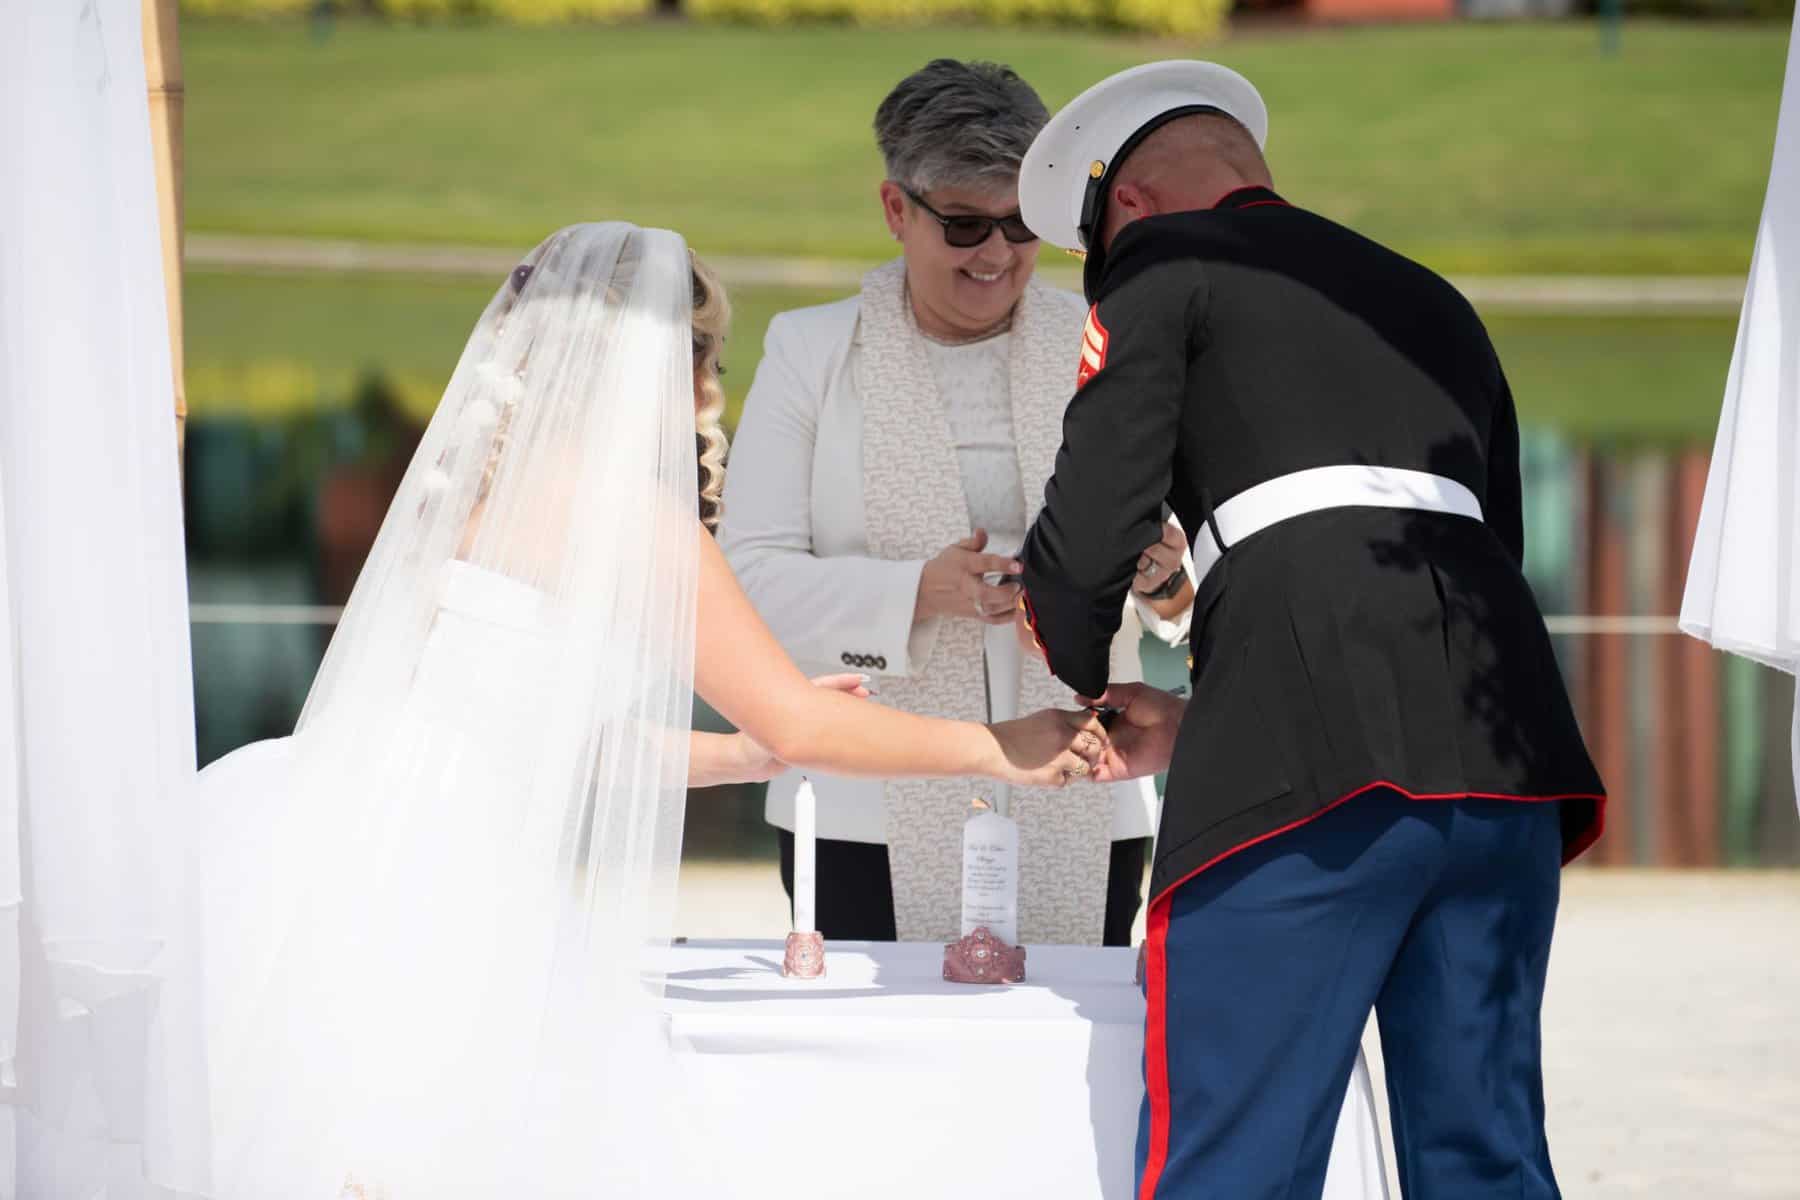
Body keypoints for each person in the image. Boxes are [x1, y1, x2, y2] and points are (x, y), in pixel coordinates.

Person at [195, 223, 1106, 1199]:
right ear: (683, 370)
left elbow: (531, 728)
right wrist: (996, 749)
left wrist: (738, 757)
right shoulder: (629, 514)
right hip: (453, 881)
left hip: (322, 827)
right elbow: (806, 723)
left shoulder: (472, 492)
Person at [1015, 61, 1607, 1200]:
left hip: (1297, 772)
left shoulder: (1161, 264)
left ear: (1122, 210)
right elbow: (1490, 537)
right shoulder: (1431, 293)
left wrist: (1079, 673)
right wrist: (1210, 712)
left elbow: (1090, 538)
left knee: (1237, 1157)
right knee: (1485, 1154)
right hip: (1505, 750)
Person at [722, 59, 1195, 947]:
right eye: (967, 225)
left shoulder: (1111, 345)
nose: (996, 255)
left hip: (1086, 788)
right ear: (897, 210)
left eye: (1020, 225)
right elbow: (745, 583)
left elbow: (1197, 584)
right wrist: (918, 593)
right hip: (863, 808)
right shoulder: (809, 352)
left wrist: (1161, 582)